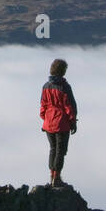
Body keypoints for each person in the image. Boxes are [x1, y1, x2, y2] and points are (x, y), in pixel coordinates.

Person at [39, 58, 78, 188]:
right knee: (61, 151)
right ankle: (57, 178)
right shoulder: (64, 87)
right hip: (61, 124)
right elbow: (69, 107)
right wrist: (73, 122)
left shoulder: (46, 86)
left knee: (53, 149)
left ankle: (52, 176)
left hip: (48, 123)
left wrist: (45, 119)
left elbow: (43, 106)